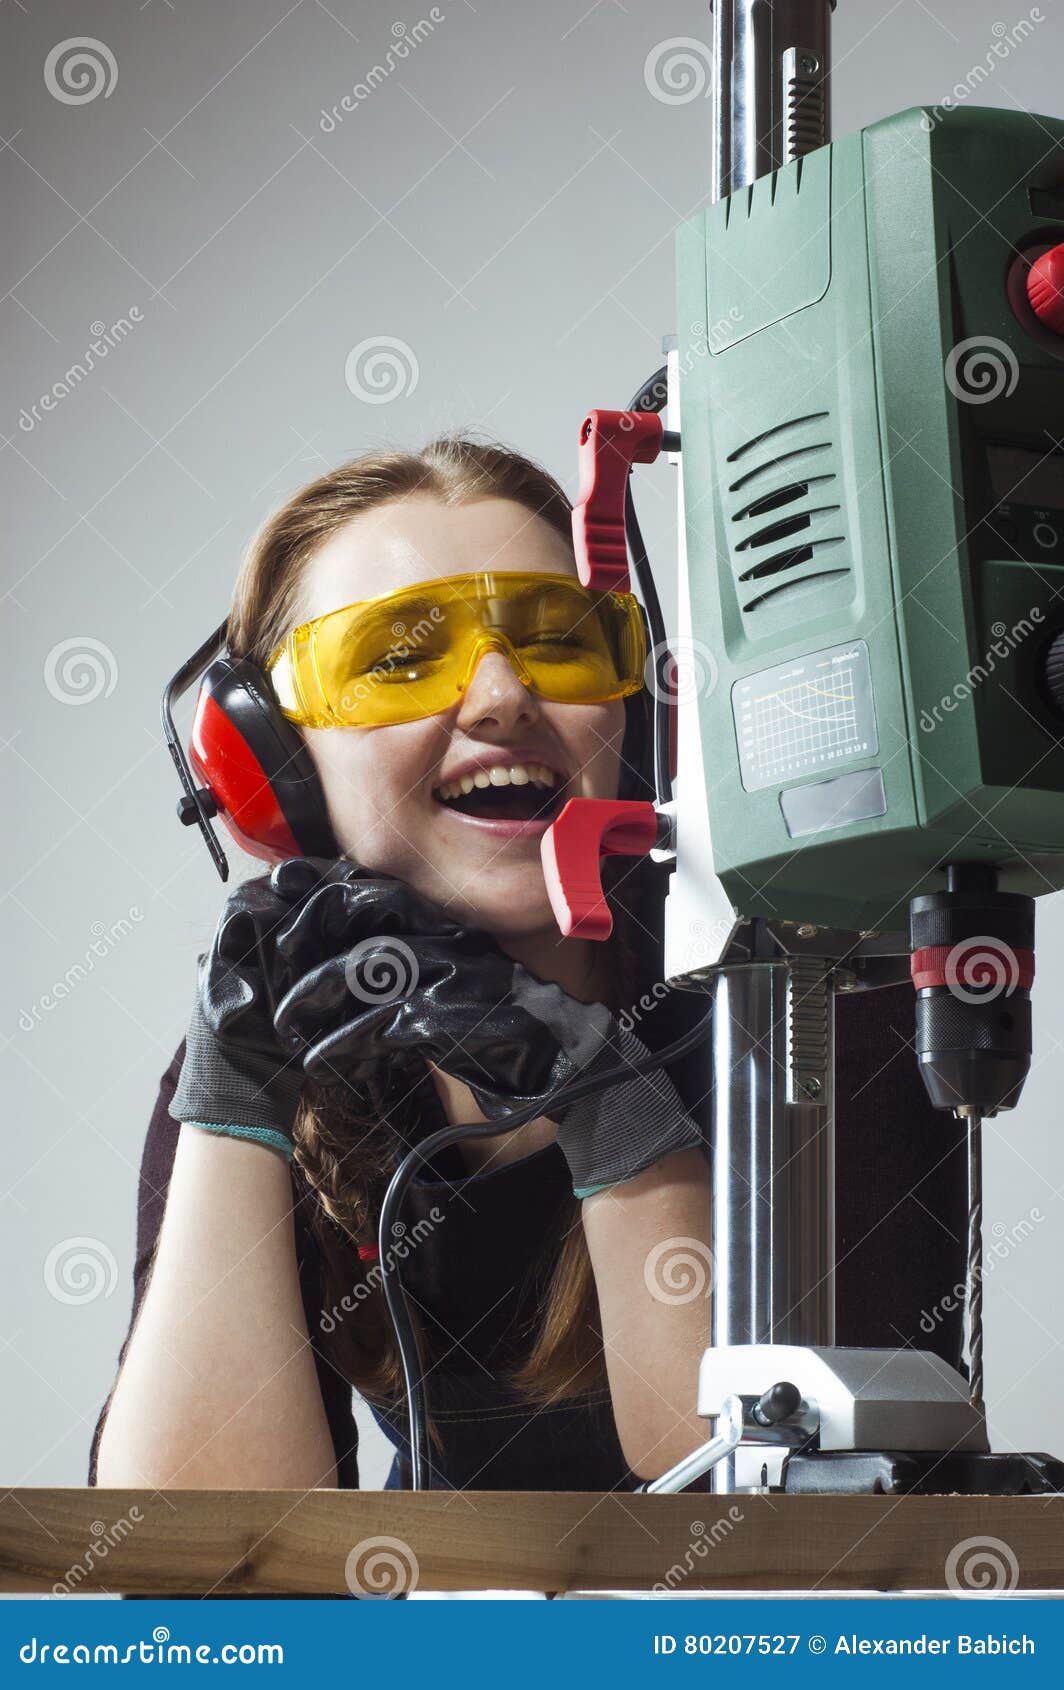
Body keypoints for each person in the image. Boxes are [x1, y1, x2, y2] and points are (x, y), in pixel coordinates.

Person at [89, 435, 966, 1500]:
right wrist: (233, 1101)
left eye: (559, 643)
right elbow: (208, 1538)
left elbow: (755, 1503)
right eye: (402, 655)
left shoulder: (805, 994)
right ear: (271, 762)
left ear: (633, 713)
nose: (502, 694)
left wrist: (604, 1102)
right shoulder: (266, 1049)